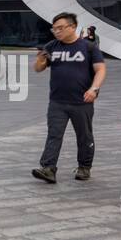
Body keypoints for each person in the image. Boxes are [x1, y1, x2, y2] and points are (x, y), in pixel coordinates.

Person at [32, 11, 105, 183]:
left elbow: (100, 70)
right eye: (54, 29)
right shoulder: (52, 46)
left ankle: (84, 167)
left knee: (84, 136)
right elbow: (38, 68)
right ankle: (48, 168)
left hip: (82, 101)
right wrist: (41, 59)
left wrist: (94, 89)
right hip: (57, 101)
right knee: (54, 134)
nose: (57, 32)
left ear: (72, 27)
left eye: (60, 28)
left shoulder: (88, 47)